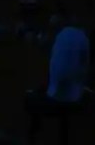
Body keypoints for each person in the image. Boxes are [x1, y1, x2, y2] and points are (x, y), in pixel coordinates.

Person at [26, 11, 89, 144]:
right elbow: (84, 66)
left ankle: (33, 133)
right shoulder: (82, 38)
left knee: (34, 97)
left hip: (60, 95)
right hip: (74, 94)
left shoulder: (61, 36)